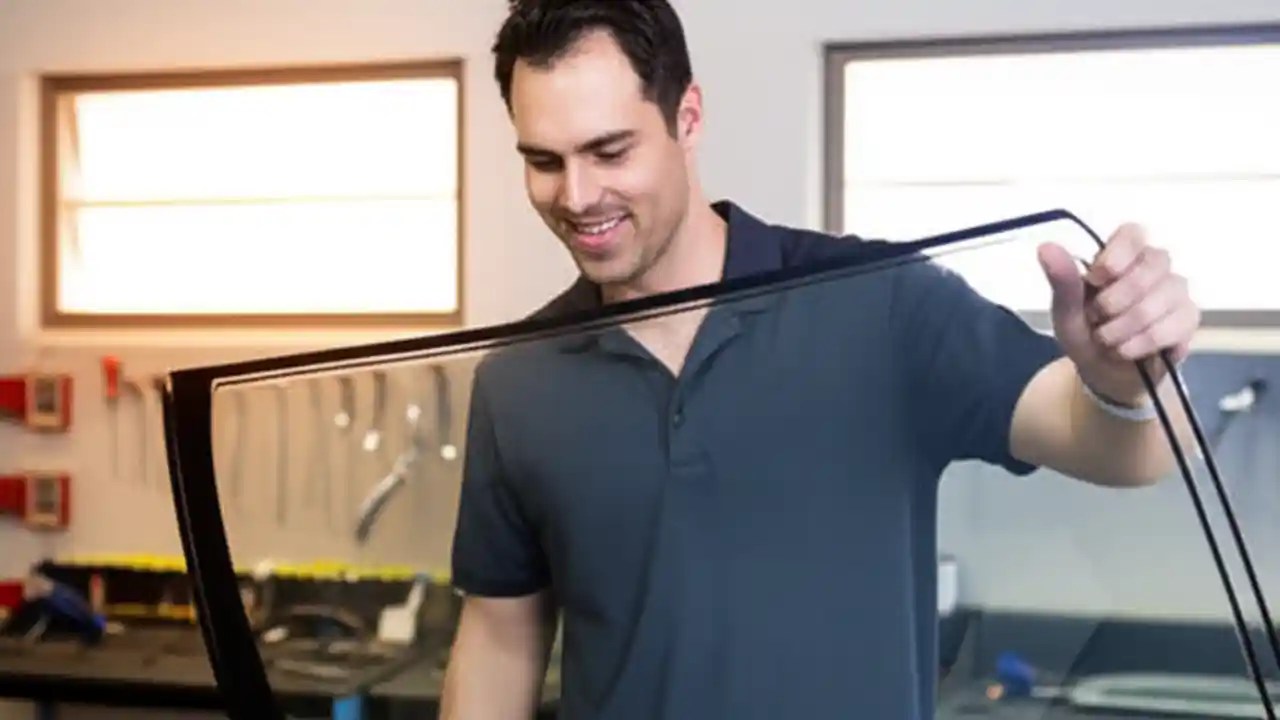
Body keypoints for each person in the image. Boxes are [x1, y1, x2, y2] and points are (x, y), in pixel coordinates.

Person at [440, 1, 1201, 718]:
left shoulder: (880, 303)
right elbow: (502, 640)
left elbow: (1118, 450)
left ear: (688, 117)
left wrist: (1122, 381)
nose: (576, 195)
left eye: (610, 151)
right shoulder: (517, 383)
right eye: (544, 160)